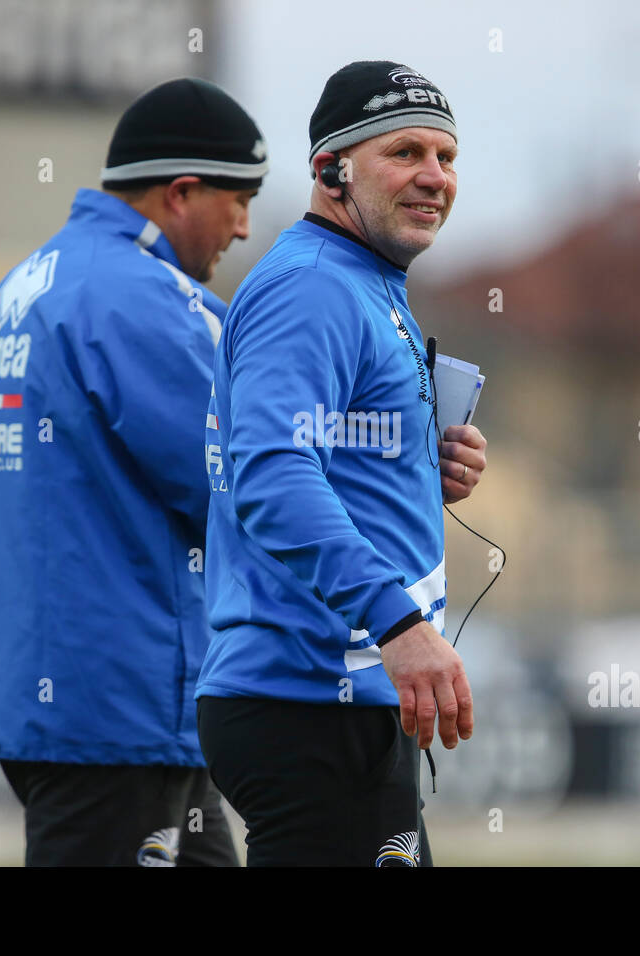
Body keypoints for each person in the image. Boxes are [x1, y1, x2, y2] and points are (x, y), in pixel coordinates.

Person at [0, 77, 267, 866]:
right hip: (121, 703)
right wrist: (392, 472)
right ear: (180, 192)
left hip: (56, 687)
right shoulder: (145, 299)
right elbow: (239, 483)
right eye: (238, 198)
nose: (243, 225)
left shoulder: (19, 290)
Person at [196, 61, 487, 866]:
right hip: (308, 697)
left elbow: (321, 447)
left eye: (448, 157)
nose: (435, 177)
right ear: (331, 170)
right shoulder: (315, 287)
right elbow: (271, 470)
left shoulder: (363, 280)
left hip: (333, 697)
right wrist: (396, 621)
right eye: (405, 153)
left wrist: (421, 462)